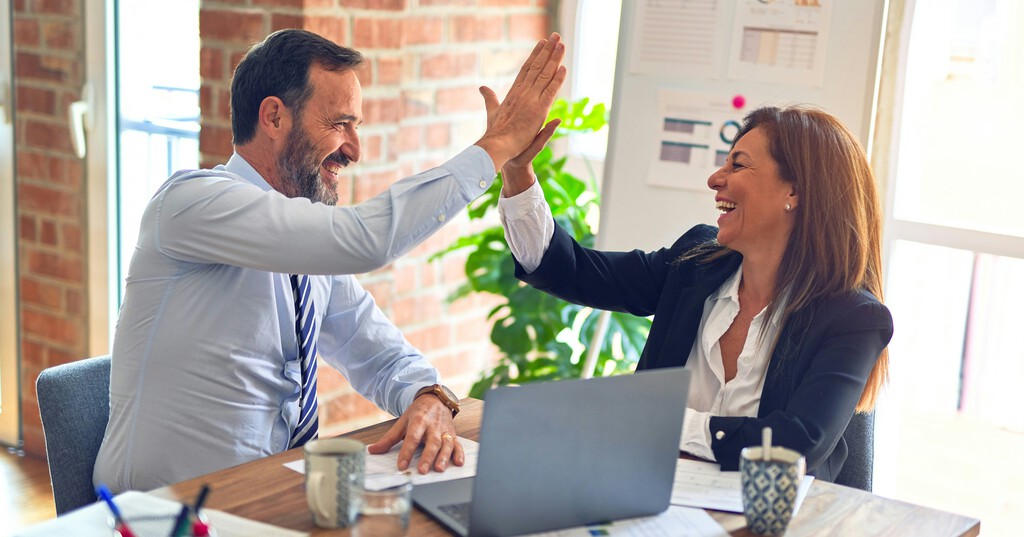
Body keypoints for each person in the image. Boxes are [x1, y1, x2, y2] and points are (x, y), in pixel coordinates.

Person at [94, 28, 566, 492]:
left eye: (356, 126)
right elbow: (365, 240)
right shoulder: (192, 203)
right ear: (274, 118)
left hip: (267, 498)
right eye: (340, 124)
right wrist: (497, 146)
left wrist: (429, 395)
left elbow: (377, 351)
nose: (354, 149)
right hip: (161, 514)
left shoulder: (305, 247)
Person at [497, 105, 893, 481]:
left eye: (738, 165)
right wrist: (517, 171)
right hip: (649, 496)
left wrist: (663, 422)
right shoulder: (695, 263)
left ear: (794, 192)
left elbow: (795, 444)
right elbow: (573, 271)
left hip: (768, 518)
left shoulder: (853, 318)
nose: (715, 179)